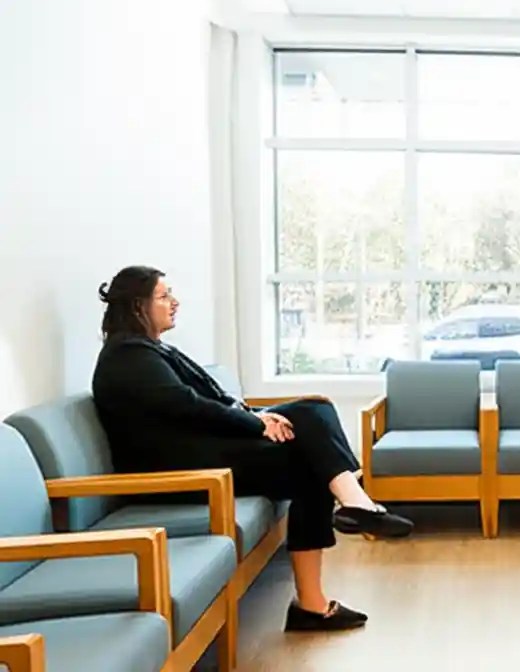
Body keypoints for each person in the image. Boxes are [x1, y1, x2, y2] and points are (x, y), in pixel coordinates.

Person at [91, 265, 414, 632]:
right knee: (310, 461)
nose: (175, 302)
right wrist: (258, 423)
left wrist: (257, 415)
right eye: (164, 296)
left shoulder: (145, 350)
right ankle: (321, 583)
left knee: (314, 409)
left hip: (201, 451)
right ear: (137, 306)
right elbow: (188, 406)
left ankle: (353, 507)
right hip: (182, 472)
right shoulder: (128, 358)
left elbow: (205, 402)